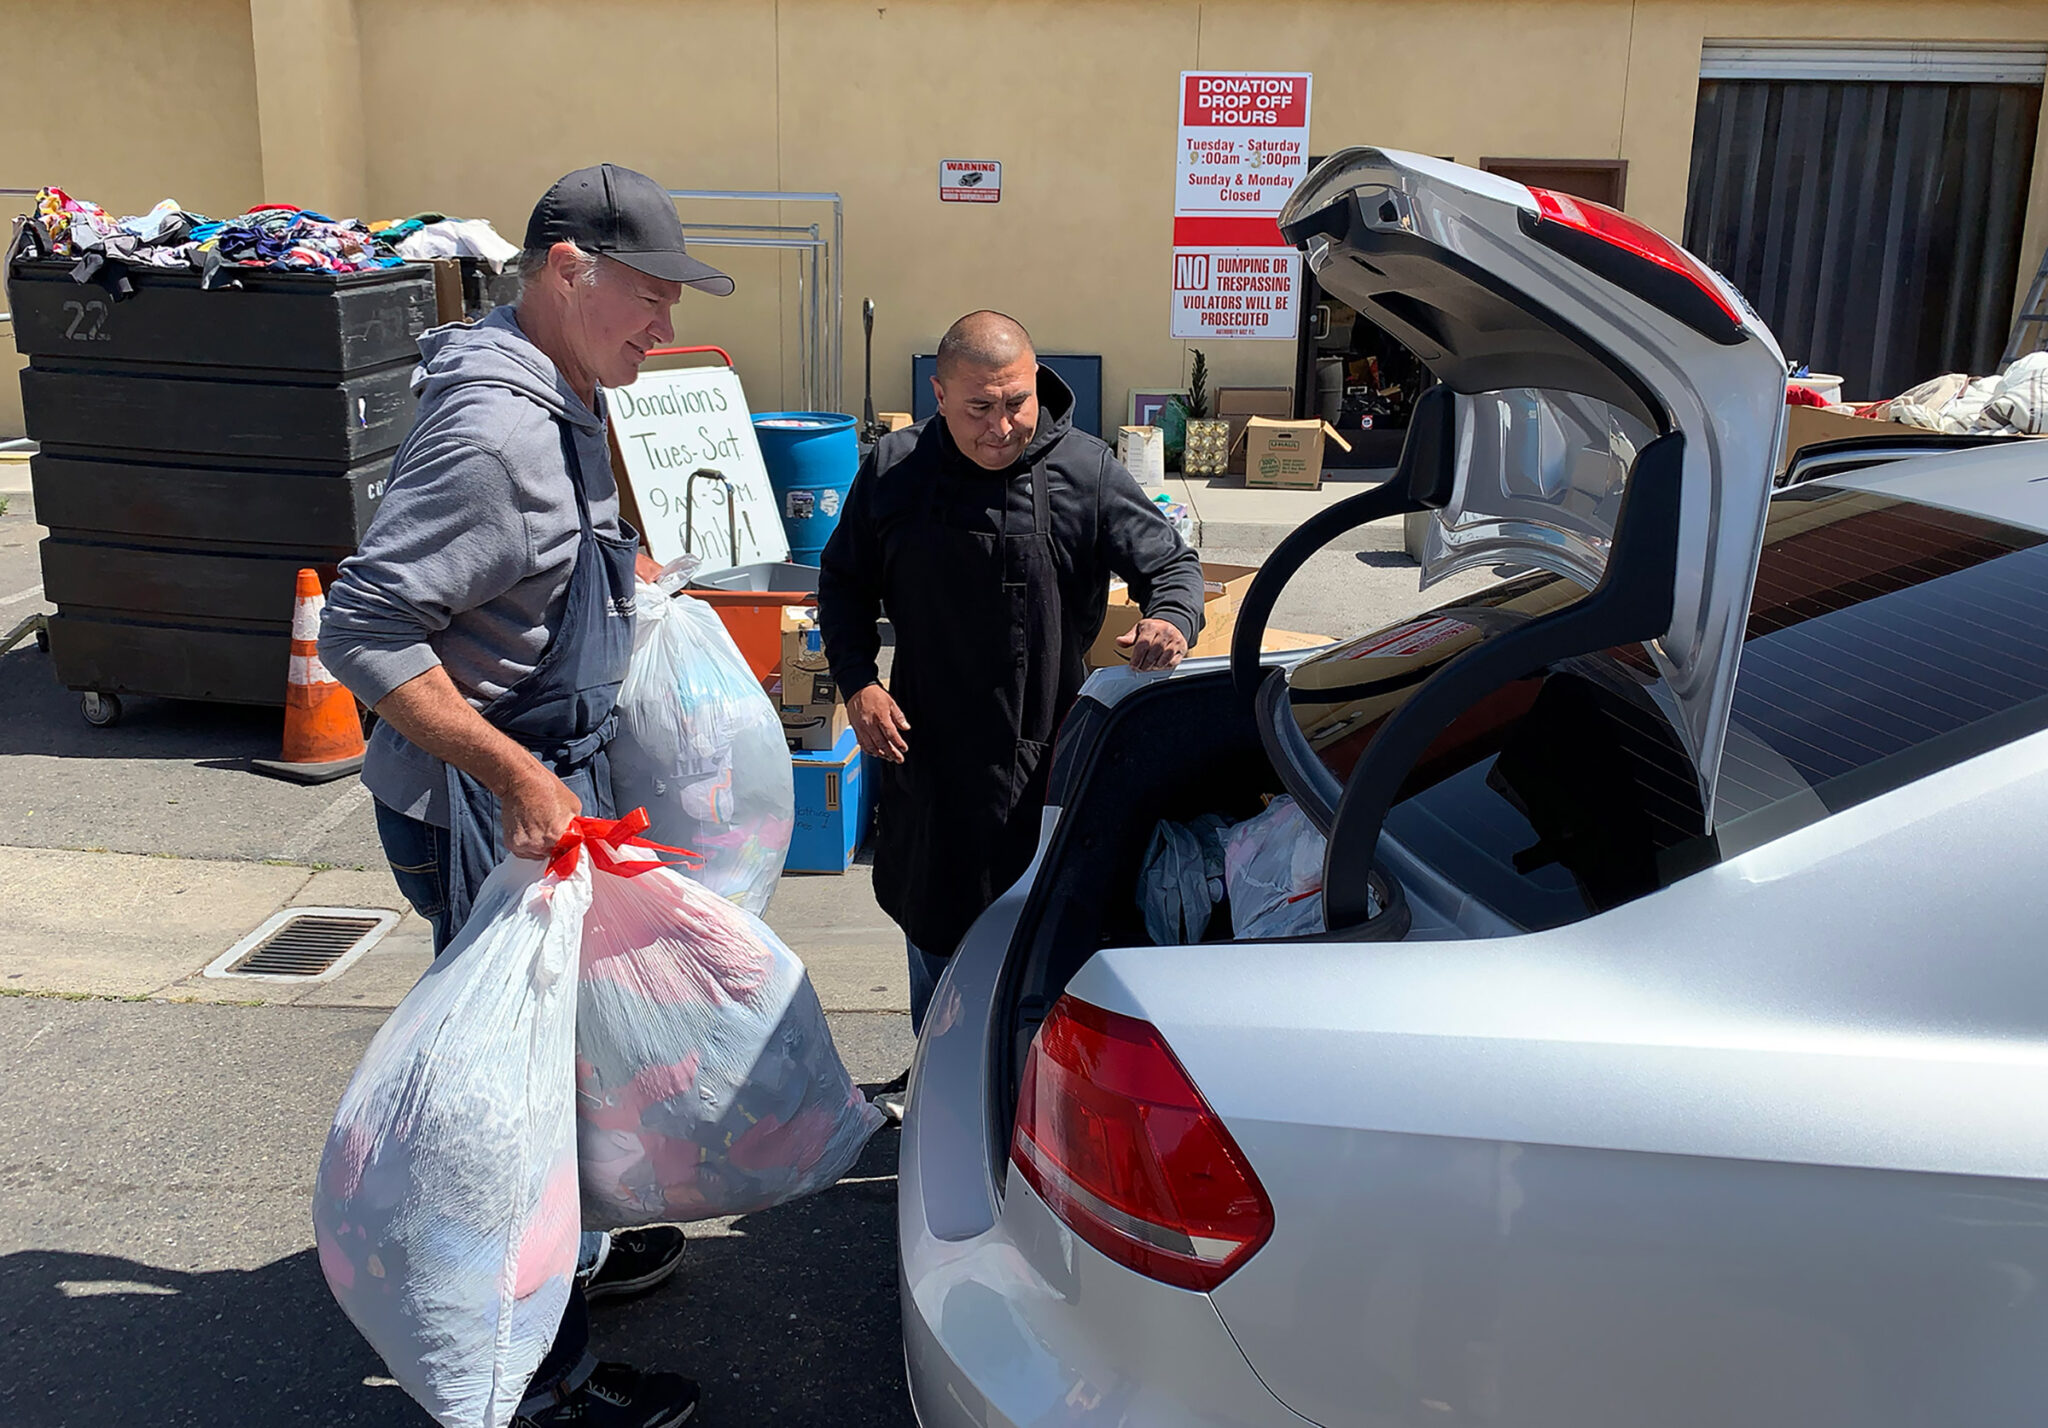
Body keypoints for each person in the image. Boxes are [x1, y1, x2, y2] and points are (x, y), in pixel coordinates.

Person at [319, 163, 732, 1428]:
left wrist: (622, 581)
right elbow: (365, 627)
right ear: (567, 268)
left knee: (574, 1065)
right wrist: (511, 771)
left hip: (537, 789)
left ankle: (578, 1254)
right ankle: (540, 1384)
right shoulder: (499, 430)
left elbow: (528, 569)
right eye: (648, 300)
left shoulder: (556, 384)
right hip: (482, 818)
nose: (663, 329)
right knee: (512, 1100)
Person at [817, 311, 1204, 1097]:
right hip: (928, 761)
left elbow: (1173, 565)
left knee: (1048, 956)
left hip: (1053, 767)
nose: (1003, 427)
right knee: (937, 946)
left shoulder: (1085, 471)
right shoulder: (893, 469)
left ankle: (1033, 1109)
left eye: (1017, 403)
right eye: (979, 409)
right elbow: (844, 583)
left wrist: (1171, 619)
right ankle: (937, 1087)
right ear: (938, 395)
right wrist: (859, 682)